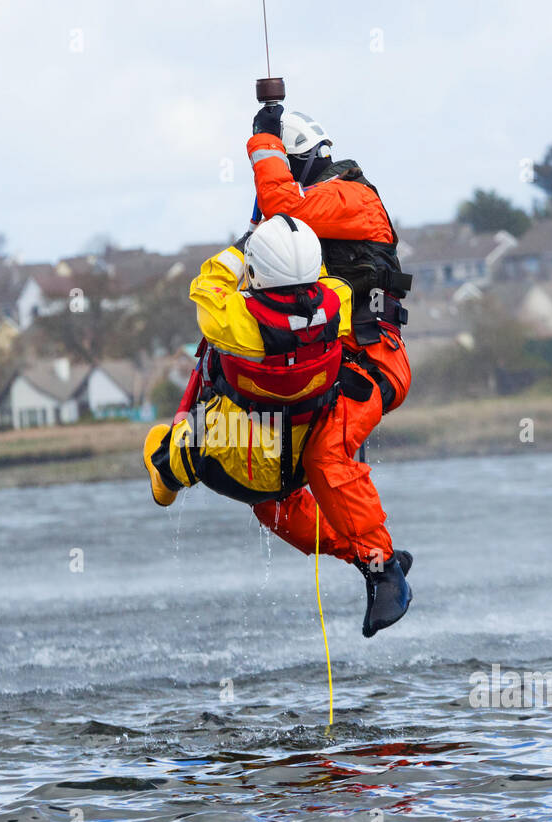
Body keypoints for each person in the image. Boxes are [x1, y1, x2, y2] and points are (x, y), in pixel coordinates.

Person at [143, 214, 411, 637]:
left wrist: (241, 245)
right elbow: (323, 279)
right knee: (284, 501)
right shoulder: (336, 302)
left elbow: (206, 284)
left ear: (258, 272)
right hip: (298, 458)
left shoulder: (235, 321)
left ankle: (166, 476)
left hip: (237, 463)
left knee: (169, 451)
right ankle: (374, 558)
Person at [243, 105, 415, 619]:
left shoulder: (351, 197)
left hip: (372, 359)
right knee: (268, 492)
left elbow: (279, 206)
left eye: (285, 167)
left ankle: (382, 568)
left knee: (326, 457)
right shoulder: (290, 224)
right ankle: (372, 561)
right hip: (320, 364)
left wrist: (261, 144)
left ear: (302, 162)